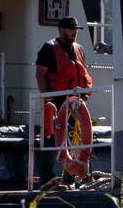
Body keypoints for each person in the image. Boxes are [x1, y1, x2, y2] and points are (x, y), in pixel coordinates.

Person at [35, 16, 94, 181]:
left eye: (76, 29)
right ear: (61, 30)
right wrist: (47, 99)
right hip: (57, 101)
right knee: (51, 137)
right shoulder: (48, 48)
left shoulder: (79, 49)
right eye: (71, 29)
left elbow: (82, 72)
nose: (74, 32)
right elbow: (40, 75)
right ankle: (45, 178)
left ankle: (71, 176)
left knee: (77, 137)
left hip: (76, 101)